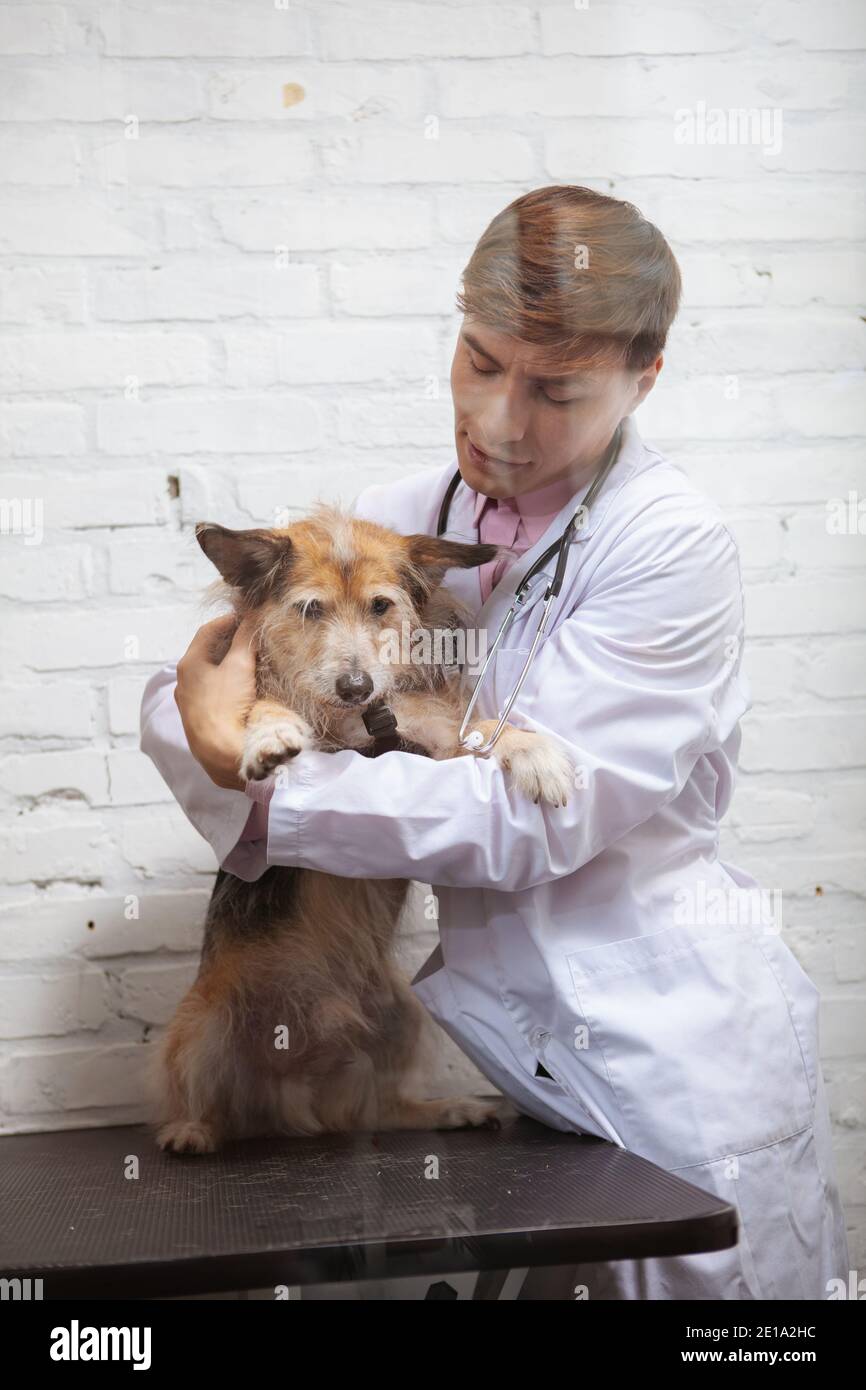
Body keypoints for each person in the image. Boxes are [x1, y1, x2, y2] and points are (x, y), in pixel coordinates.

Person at [141, 185, 850, 1300]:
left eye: (555, 391)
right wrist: (191, 719)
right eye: (478, 362)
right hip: (509, 1050)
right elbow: (230, 674)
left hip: (662, 1050)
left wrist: (254, 788)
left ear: (644, 377)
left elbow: (524, 817)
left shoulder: (672, 548)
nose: (498, 422)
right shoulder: (398, 514)